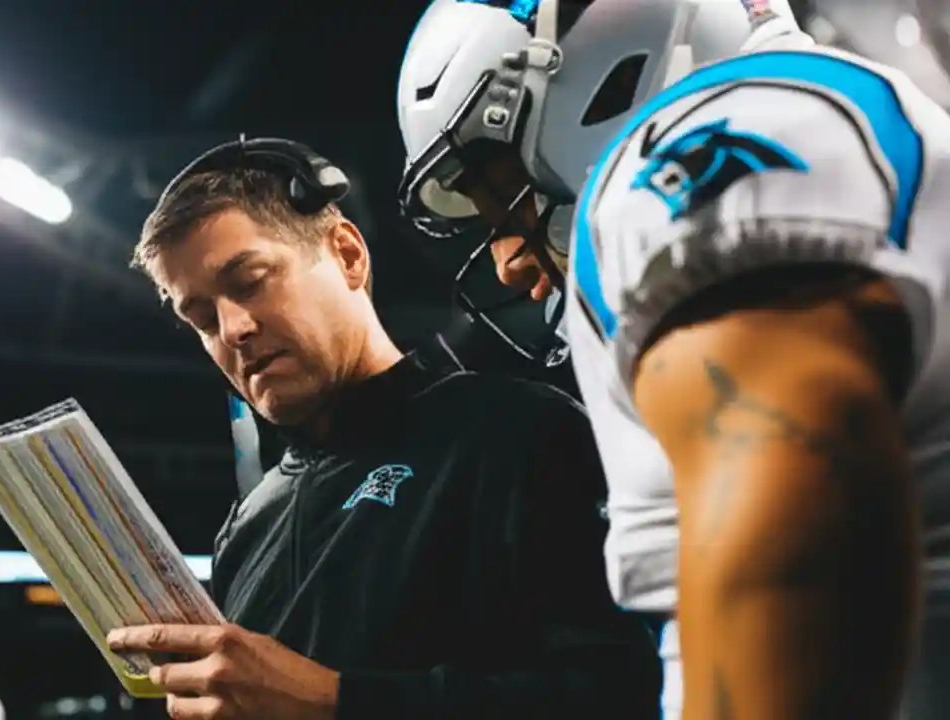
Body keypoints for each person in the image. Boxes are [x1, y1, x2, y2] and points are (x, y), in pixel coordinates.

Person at [394, 0, 950, 718]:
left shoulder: (700, 143)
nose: (505, 260)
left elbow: (787, 548)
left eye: (499, 188)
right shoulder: (825, 105)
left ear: (590, 77)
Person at [105, 137, 661, 719]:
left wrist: (334, 704)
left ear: (347, 254)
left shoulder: (517, 435)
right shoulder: (245, 530)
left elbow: (626, 697)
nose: (233, 328)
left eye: (249, 282)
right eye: (201, 318)